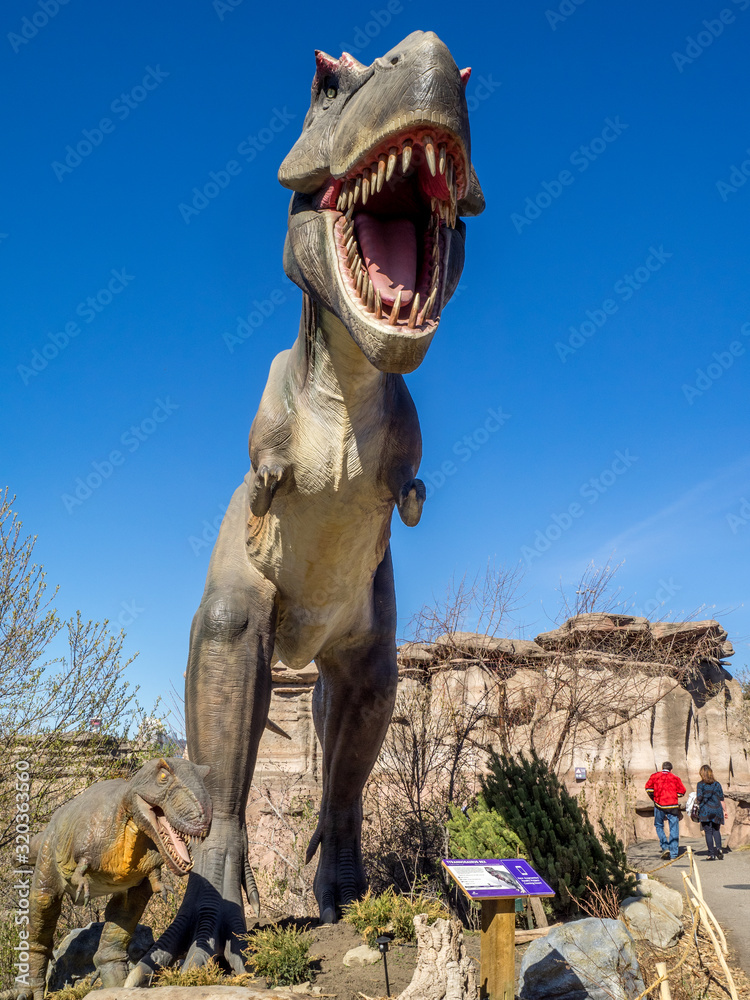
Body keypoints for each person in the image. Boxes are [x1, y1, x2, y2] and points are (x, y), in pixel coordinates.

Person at [645, 761, 686, 860]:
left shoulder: (655, 776)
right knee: (674, 828)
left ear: (662, 767)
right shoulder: (675, 778)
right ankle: (674, 854)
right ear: (671, 769)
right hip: (672, 806)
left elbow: (648, 788)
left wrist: (654, 798)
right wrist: (673, 795)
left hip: (659, 805)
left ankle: (665, 847)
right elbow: (682, 792)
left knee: (659, 825)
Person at [696, 764, 726, 860]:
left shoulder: (700, 784)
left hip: (705, 810)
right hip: (717, 809)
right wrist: (724, 811)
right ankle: (719, 849)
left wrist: (696, 801)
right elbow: (721, 799)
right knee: (716, 830)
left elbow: (699, 797)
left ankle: (711, 854)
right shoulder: (717, 784)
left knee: (708, 832)